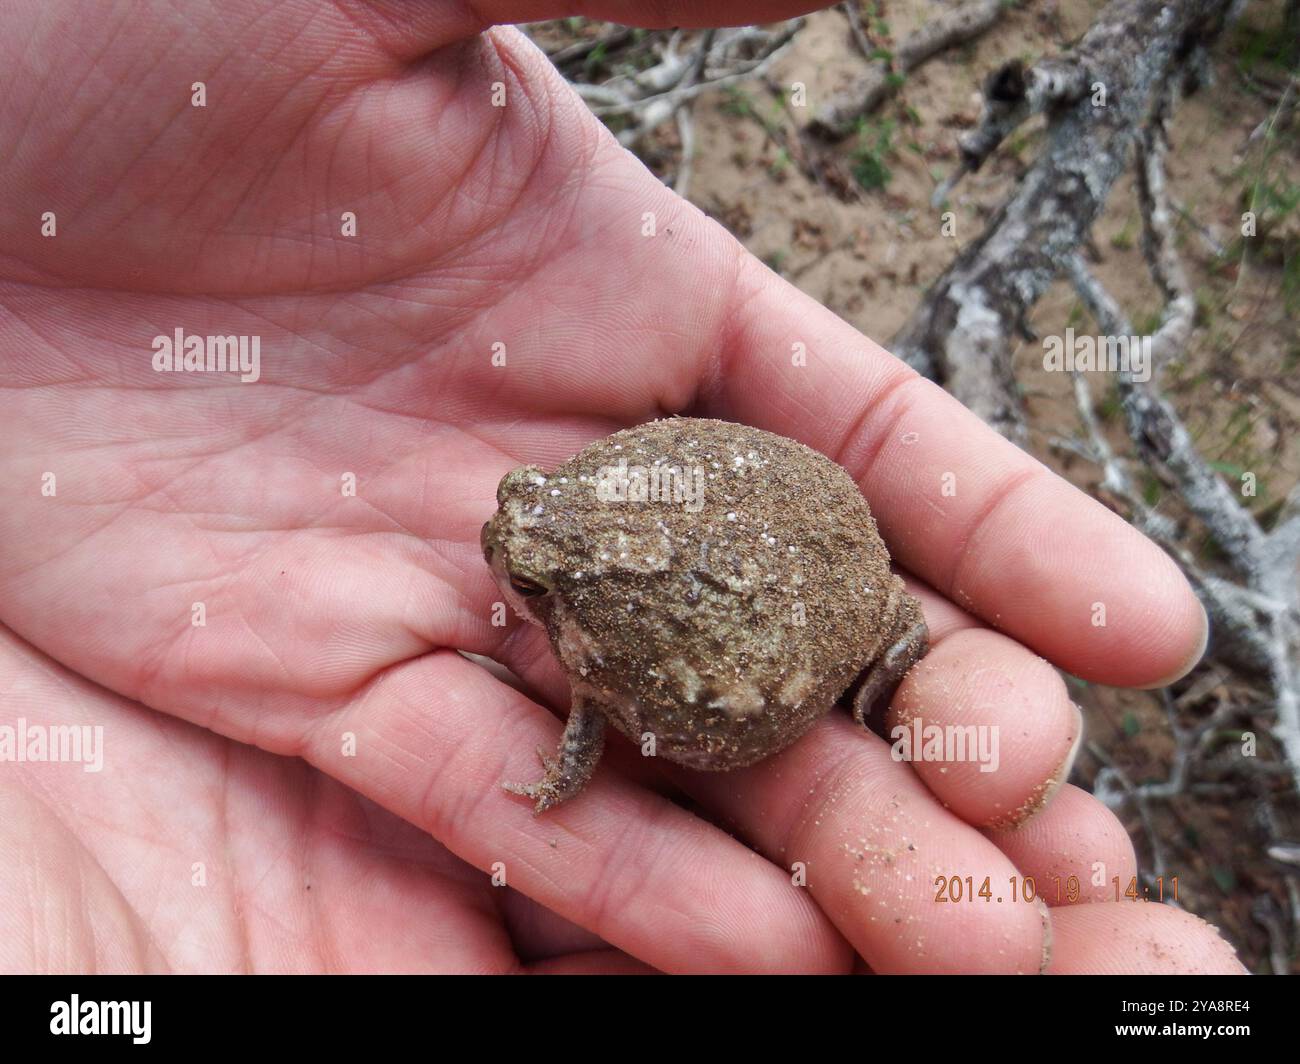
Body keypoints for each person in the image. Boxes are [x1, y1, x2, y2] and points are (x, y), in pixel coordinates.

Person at [0, 0, 1244, 973]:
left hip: (804, 613)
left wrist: (561, 771)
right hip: (815, 555)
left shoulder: (599, 611)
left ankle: (866, 661)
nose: (504, 541)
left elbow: (591, 719)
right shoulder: (618, 479)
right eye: (522, 524)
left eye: (526, 568)